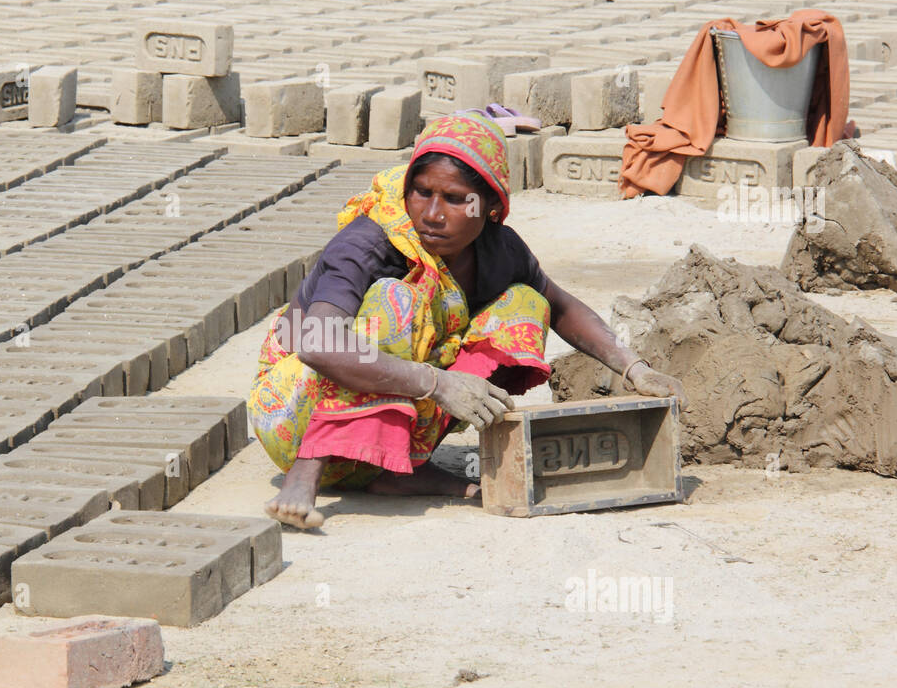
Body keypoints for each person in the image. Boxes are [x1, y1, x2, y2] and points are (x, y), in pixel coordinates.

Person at [248, 113, 687, 529]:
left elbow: (563, 307)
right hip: (293, 415)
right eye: (421, 192)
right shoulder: (370, 241)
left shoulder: (499, 250)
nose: (432, 214)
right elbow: (317, 345)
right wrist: (438, 384)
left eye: (455, 200)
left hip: (378, 441)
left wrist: (635, 368)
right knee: (396, 299)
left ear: (491, 208)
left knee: (527, 303)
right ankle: (308, 469)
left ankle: (400, 467)